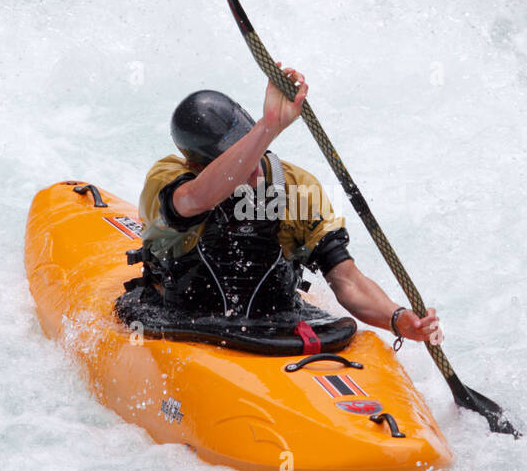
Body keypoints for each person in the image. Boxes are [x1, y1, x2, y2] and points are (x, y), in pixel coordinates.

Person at [137, 64, 443, 347]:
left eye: (252, 146)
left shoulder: (295, 186)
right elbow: (197, 199)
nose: (253, 166)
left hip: (275, 326)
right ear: (196, 164)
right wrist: (269, 126)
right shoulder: (168, 179)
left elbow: (346, 279)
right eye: (238, 156)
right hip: (185, 321)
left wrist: (397, 318)